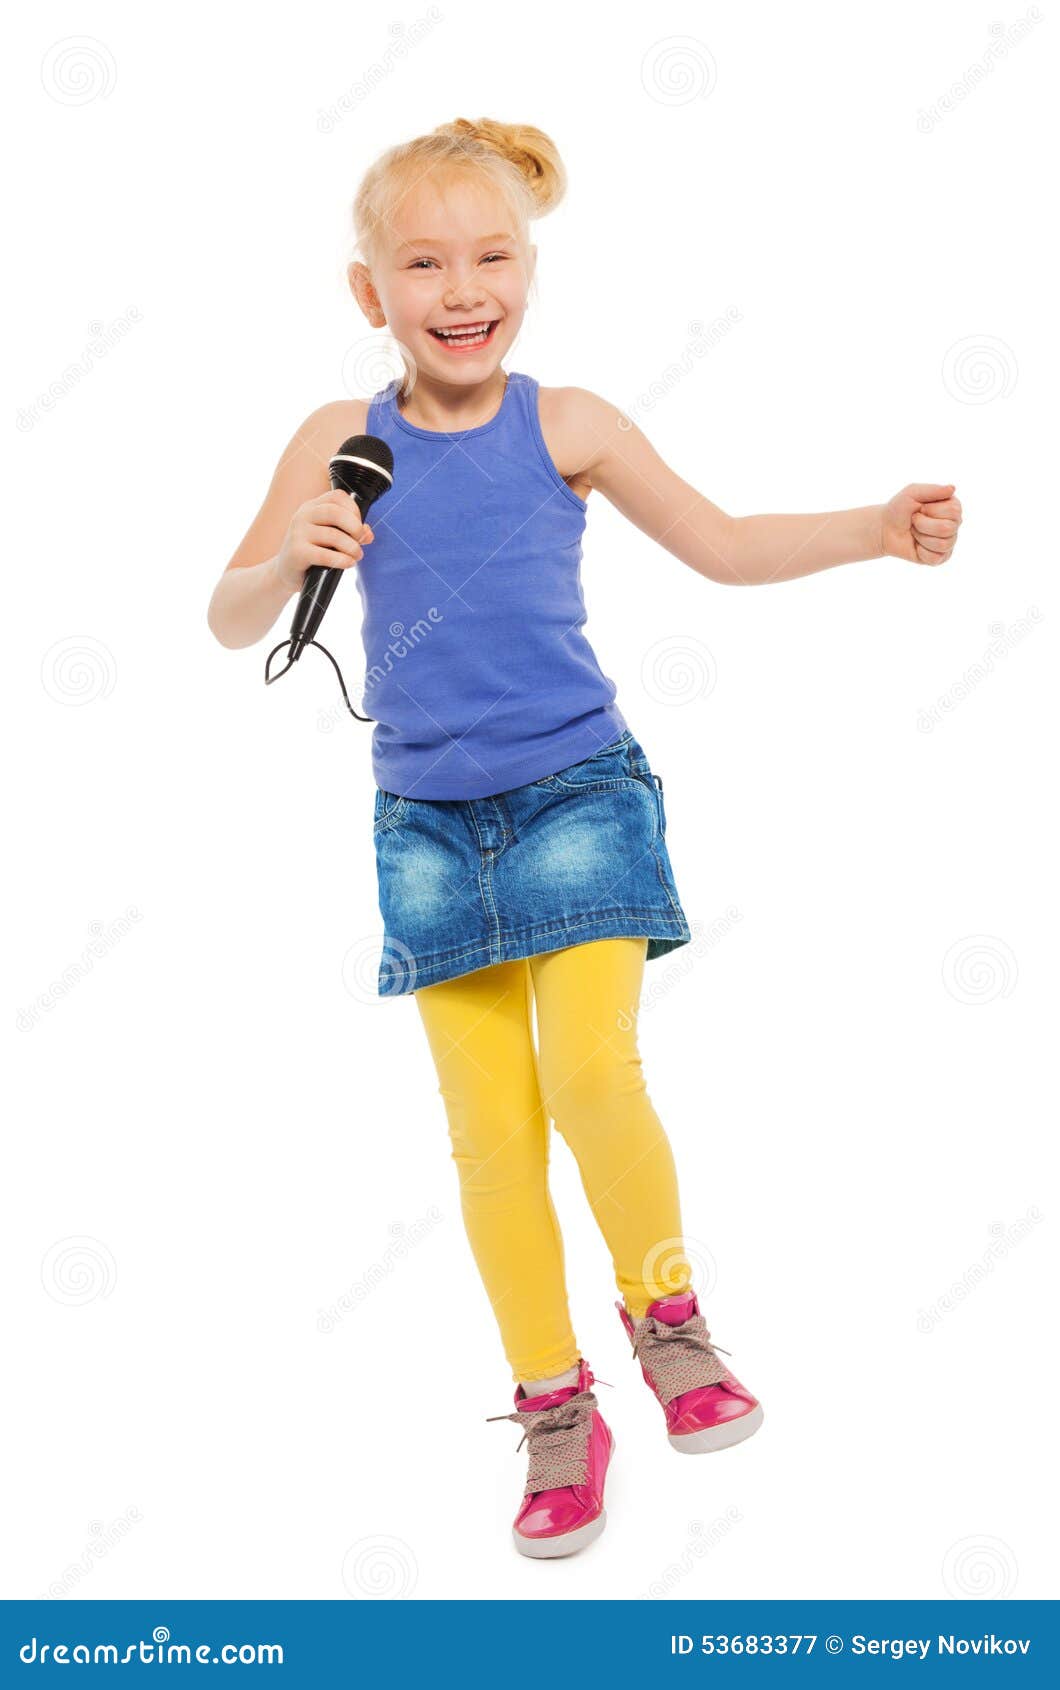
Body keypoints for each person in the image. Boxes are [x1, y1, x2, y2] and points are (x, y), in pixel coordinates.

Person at [206, 116, 962, 1560]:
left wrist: (875, 525)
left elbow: (727, 543)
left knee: (590, 1069)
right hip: (427, 829)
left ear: (529, 271)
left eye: (489, 255)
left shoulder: (572, 423)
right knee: (489, 1138)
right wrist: (287, 553)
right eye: (422, 262)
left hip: (575, 795)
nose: (460, 285)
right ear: (370, 293)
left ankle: (668, 1320)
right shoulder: (336, 439)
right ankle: (558, 1403)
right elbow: (229, 615)